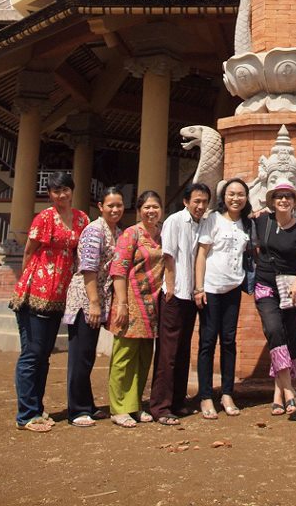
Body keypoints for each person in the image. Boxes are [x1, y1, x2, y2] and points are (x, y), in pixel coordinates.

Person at [10, 171, 90, 432]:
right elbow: (29, 250)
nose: (62, 195)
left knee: (44, 355)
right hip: (37, 292)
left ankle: (36, 408)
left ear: (72, 191)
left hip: (61, 296)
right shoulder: (44, 218)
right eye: (57, 191)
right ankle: (27, 415)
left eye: (66, 189)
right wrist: (25, 282)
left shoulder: (81, 219)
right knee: (33, 354)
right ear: (50, 194)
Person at [149, 182, 211, 426]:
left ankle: (176, 401)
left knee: (183, 348)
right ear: (186, 201)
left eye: (204, 201)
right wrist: (171, 287)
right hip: (174, 294)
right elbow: (169, 255)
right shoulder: (176, 221)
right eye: (196, 201)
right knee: (168, 352)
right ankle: (160, 406)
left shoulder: (202, 224)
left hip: (191, 295)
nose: (200, 205)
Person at [64, 186, 125, 426]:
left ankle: (87, 404)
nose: (115, 209)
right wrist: (94, 303)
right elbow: (88, 268)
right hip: (86, 299)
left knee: (88, 354)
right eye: (110, 205)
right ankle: (77, 410)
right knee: (80, 355)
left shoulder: (116, 232)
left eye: (119, 205)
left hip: (100, 298)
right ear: (100, 206)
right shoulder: (94, 230)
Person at [253, 181, 296, 418]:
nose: (283, 200)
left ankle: (278, 394)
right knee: (274, 330)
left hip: (291, 288)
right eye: (279, 197)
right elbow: (236, 213)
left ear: (294, 201)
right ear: (272, 200)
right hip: (265, 284)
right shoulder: (262, 221)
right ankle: (289, 389)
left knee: (290, 338)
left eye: (288, 197)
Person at [194, 178, 252, 419]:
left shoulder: (247, 224)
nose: (235, 198)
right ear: (224, 196)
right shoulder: (213, 219)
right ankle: (206, 396)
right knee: (207, 341)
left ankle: (227, 393)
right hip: (211, 288)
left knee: (229, 341)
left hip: (233, 288)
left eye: (240, 194)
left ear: (247, 198)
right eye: (231, 194)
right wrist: (199, 287)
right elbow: (201, 254)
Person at [107, 190, 164, 428]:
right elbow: (118, 269)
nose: (151, 211)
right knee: (124, 355)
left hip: (153, 303)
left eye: (155, 207)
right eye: (147, 207)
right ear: (140, 210)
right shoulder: (131, 234)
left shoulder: (162, 235)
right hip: (130, 300)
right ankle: (118, 407)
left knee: (143, 357)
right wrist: (121, 303)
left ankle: (135, 404)